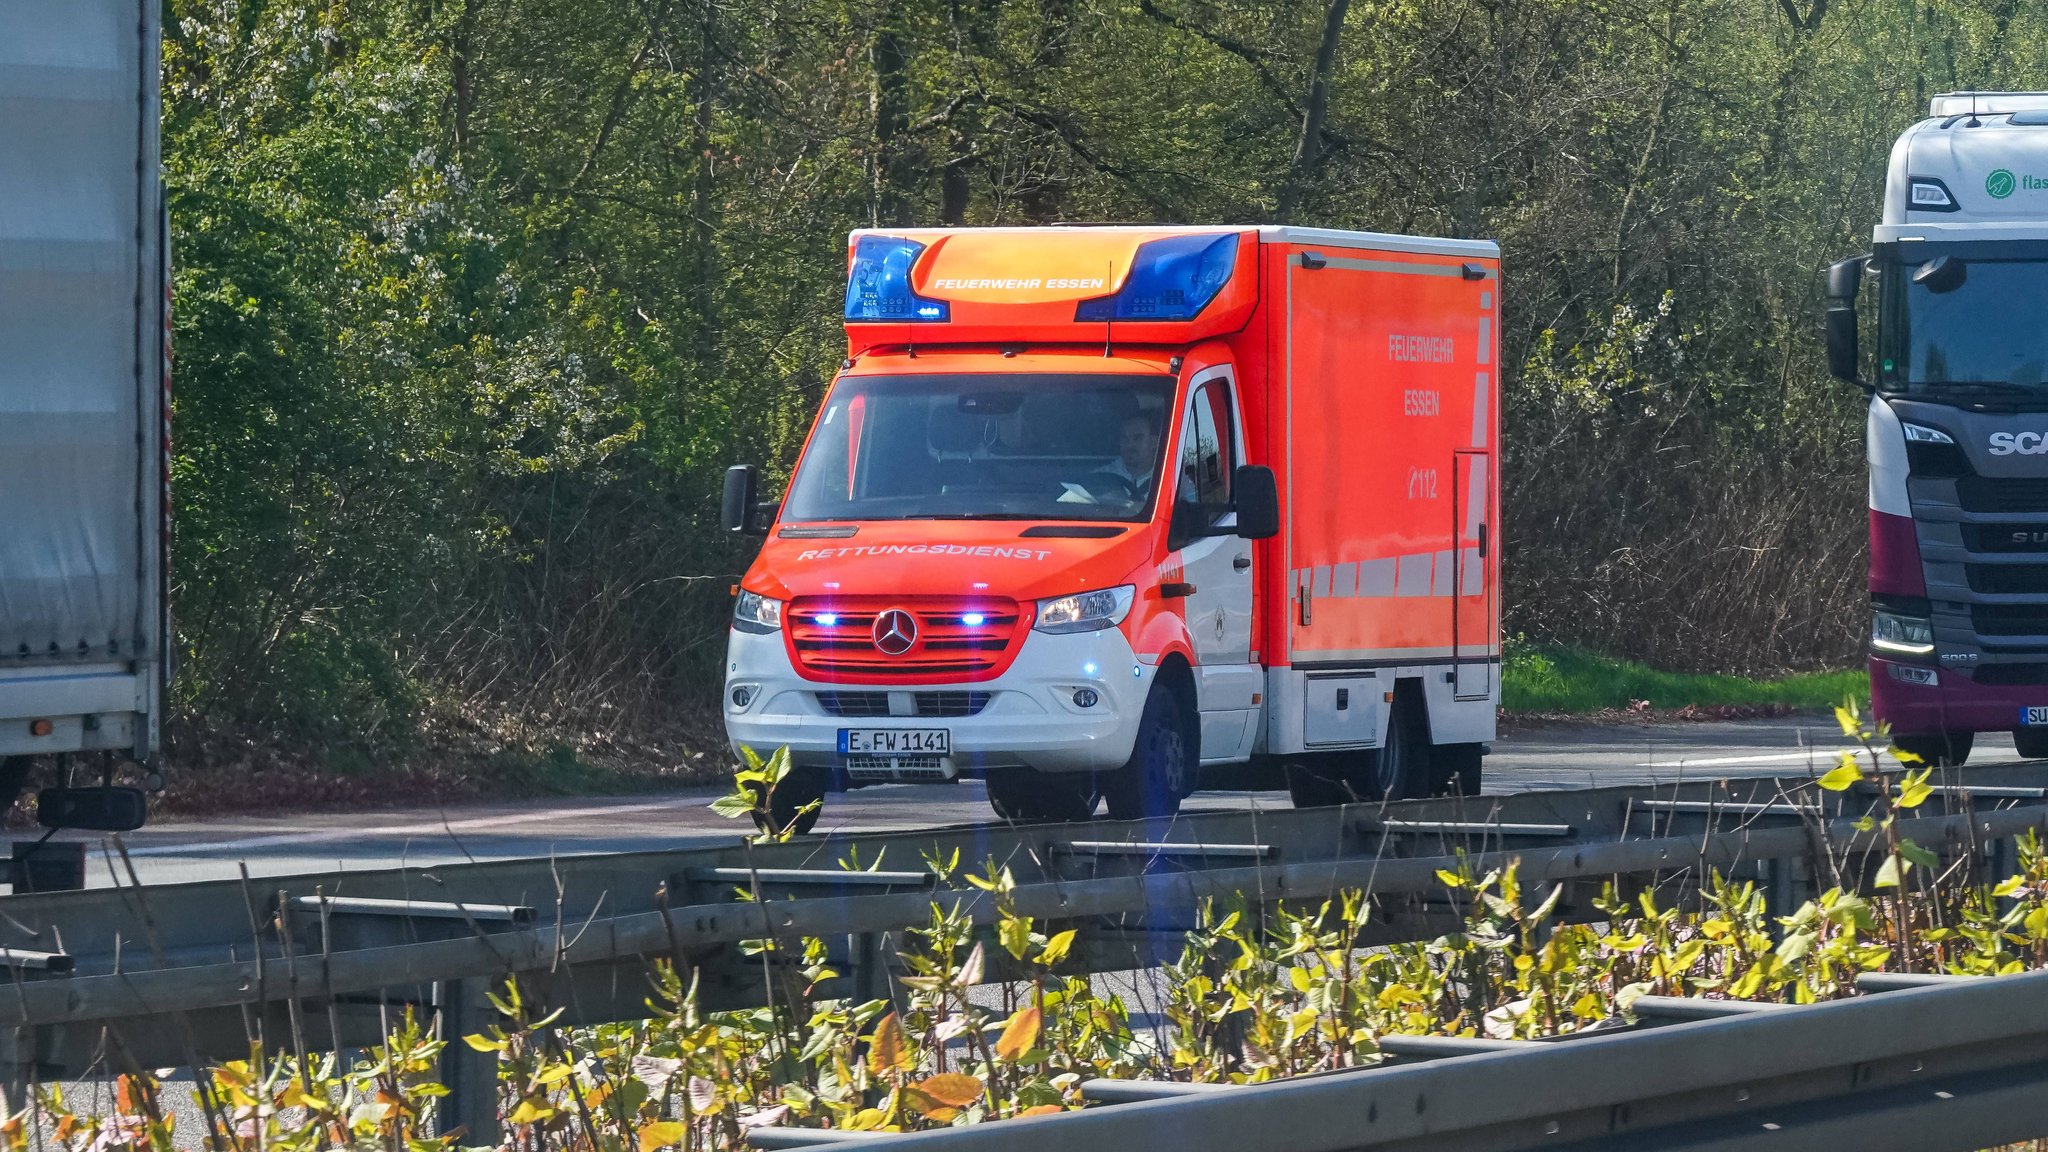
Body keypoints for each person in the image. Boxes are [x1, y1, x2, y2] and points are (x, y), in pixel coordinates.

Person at [1081, 412, 1197, 505]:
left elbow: (1195, 509)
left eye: (1137, 438)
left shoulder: (1175, 482)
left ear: (1154, 442)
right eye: (1124, 438)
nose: (1129, 444)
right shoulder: (1100, 477)